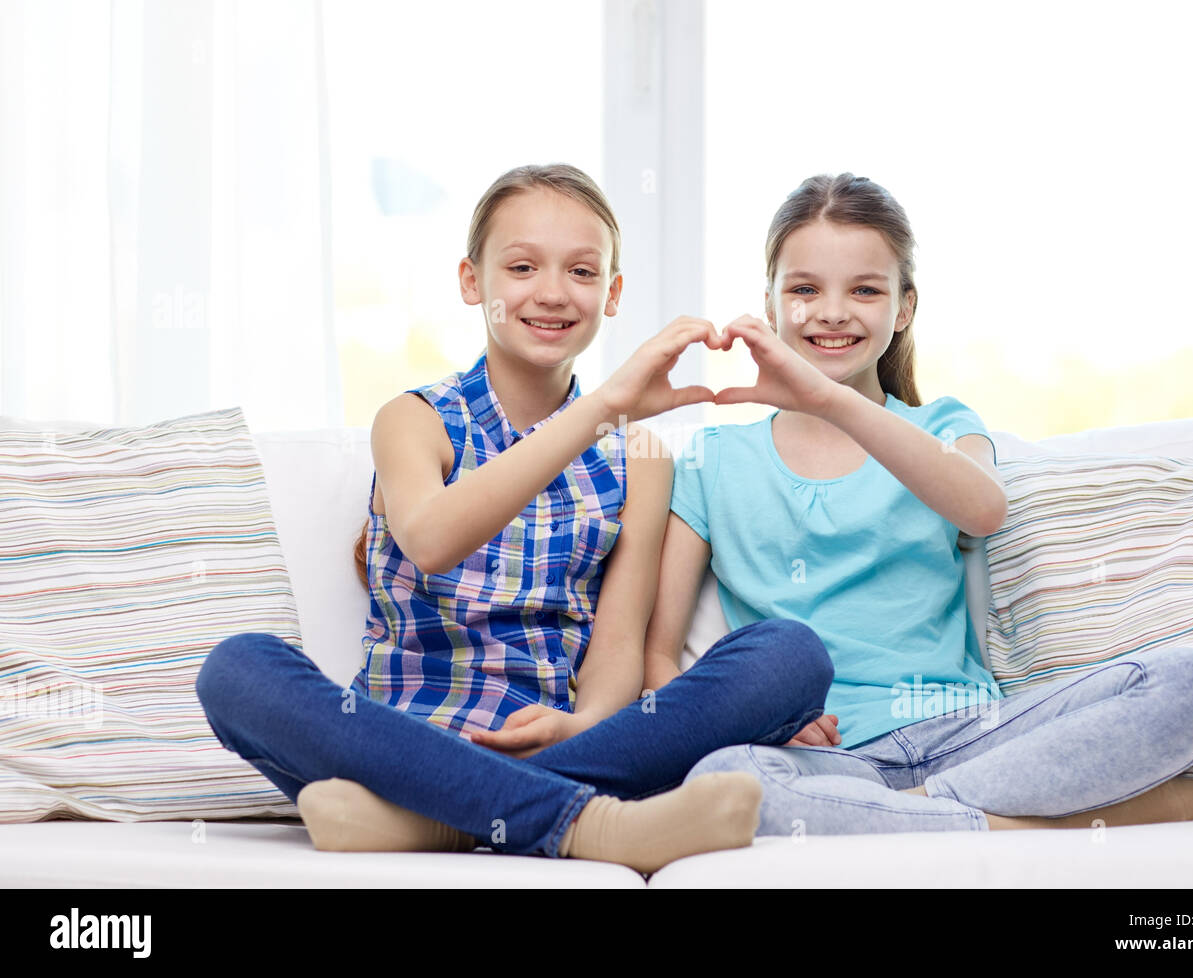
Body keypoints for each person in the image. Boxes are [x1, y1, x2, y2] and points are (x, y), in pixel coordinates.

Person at [196, 164, 835, 873]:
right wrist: (601, 412)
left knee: (792, 657)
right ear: (474, 282)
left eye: (583, 272)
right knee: (238, 669)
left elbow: (618, 642)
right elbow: (433, 540)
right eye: (523, 266)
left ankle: (430, 822)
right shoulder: (415, 420)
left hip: (558, 742)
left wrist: (587, 721)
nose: (554, 293)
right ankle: (590, 823)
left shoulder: (641, 457)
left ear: (613, 292)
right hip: (394, 743)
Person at [645, 172, 1193, 836]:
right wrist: (751, 717)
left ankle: (916, 816)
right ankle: (1018, 826)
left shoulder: (944, 426)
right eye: (805, 289)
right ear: (772, 304)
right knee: (724, 781)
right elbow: (661, 657)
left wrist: (829, 398)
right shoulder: (712, 459)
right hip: (825, 761)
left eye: (865, 290)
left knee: (1192, 681)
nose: (834, 311)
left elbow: (982, 510)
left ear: (903, 308)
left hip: (973, 734)